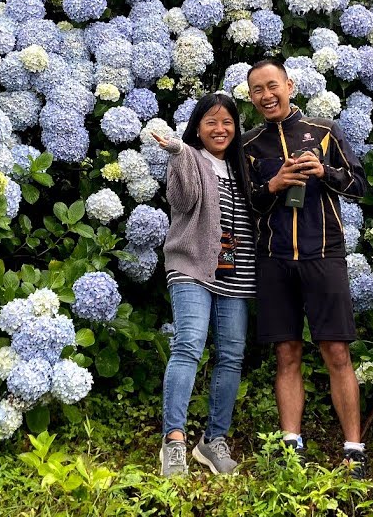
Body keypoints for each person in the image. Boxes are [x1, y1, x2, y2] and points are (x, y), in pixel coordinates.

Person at [241, 57, 369, 475]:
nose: (266, 95)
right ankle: (291, 444)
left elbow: (360, 186)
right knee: (287, 352)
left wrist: (325, 171)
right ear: (250, 96)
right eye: (257, 90)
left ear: (290, 85)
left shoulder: (326, 131)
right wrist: (273, 185)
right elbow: (248, 204)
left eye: (272, 85)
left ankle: (354, 448)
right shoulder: (248, 144)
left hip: (323, 253)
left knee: (336, 350)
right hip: (275, 258)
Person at [153, 92, 257, 477]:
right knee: (189, 345)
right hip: (192, 265)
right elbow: (182, 201)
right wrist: (178, 153)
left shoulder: (241, 165)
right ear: (198, 126)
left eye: (227, 121)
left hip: (237, 272)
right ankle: (174, 442)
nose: (220, 128)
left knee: (231, 356)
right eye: (211, 121)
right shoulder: (190, 157)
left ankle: (213, 441)